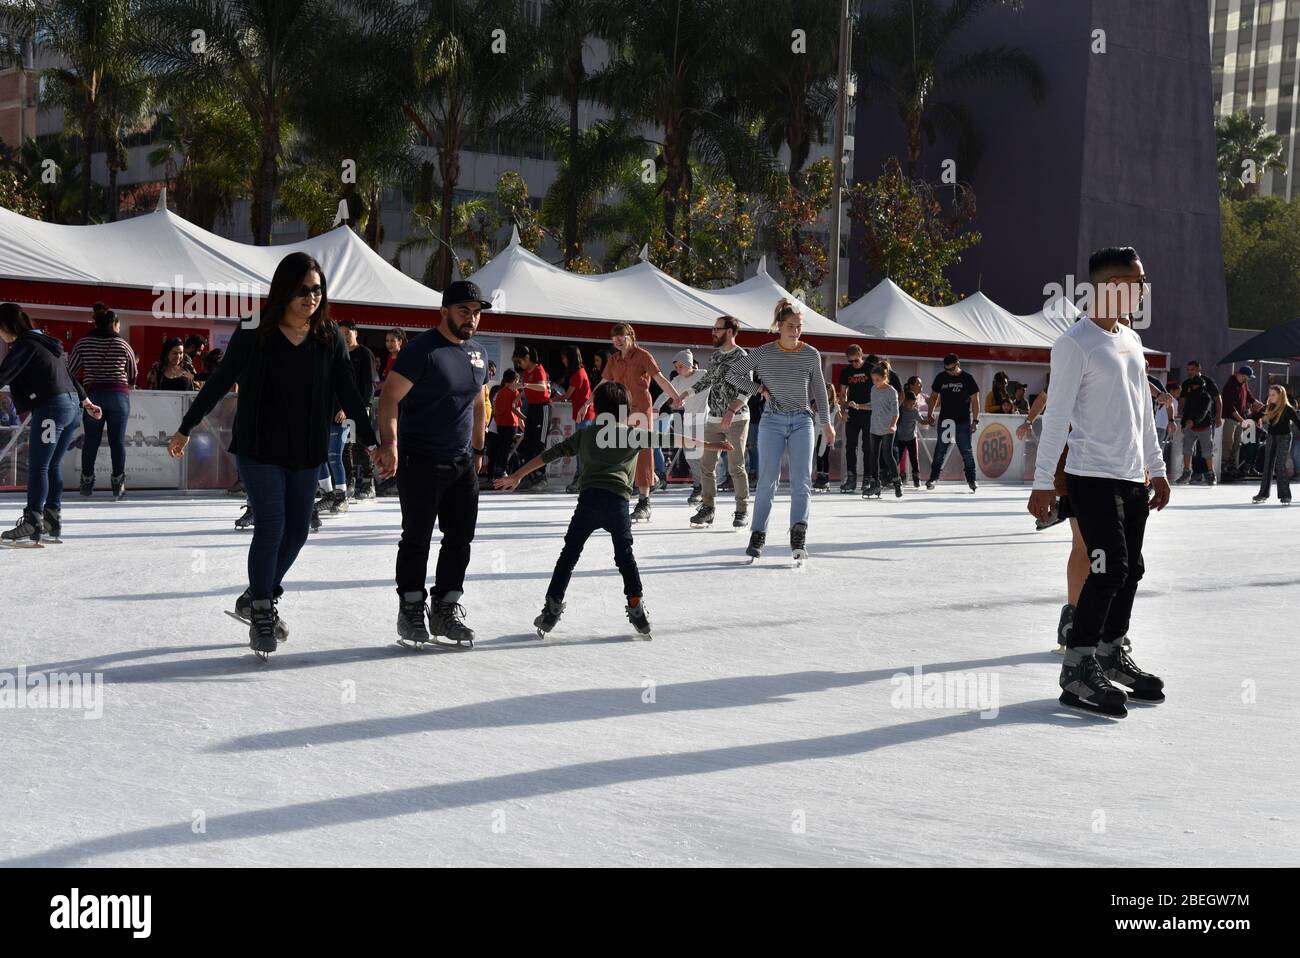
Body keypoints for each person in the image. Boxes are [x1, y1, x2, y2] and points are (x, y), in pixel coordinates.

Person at [168, 253, 379, 658]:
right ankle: (262, 613)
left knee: (298, 530)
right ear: (283, 291)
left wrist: (373, 443)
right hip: (260, 446)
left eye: (317, 290)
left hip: (306, 449)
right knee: (271, 526)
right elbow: (220, 380)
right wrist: (186, 426)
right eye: (302, 290)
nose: (311, 297)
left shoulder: (330, 336)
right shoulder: (254, 329)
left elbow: (350, 393)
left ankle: (256, 595)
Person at [1028, 246, 1169, 718]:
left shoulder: (1130, 341)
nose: (1143, 290)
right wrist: (1044, 481)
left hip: (1132, 477)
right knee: (1106, 569)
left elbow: (1144, 415)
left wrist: (1159, 468)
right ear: (1110, 286)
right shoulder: (1075, 343)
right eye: (1137, 282)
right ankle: (1078, 668)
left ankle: (1111, 652)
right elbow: (1057, 416)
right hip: (1091, 476)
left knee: (1132, 570)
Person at [499, 380, 731, 639]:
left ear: (597, 408)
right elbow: (672, 438)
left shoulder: (586, 433)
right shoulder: (633, 433)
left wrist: (517, 475)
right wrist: (709, 445)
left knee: (569, 556)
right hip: (618, 506)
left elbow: (550, 454)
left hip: (588, 503)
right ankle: (636, 607)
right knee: (625, 558)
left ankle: (552, 609)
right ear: (626, 411)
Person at [374, 280, 490, 649]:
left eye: (476, 313)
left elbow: (477, 404)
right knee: (417, 538)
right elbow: (389, 398)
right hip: (419, 459)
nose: (471, 319)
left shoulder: (478, 354)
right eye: (463, 311)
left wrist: (478, 449)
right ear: (444, 311)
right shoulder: (421, 350)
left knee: (460, 540)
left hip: (462, 464)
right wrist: (389, 444)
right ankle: (411, 608)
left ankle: (444, 608)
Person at [720, 298, 834, 561]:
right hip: (772, 420)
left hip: (802, 420)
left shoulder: (810, 354)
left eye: (799, 326)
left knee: (801, 481)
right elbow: (733, 374)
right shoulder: (763, 352)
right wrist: (758, 389)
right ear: (780, 326)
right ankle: (758, 534)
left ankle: (798, 534)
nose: (796, 331)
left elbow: (819, 389)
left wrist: (826, 422)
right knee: (768, 480)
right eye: (791, 326)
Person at [0, 303, 102, 546]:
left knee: (38, 466)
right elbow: (69, 375)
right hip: (71, 408)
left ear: (6, 325)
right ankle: (51, 520)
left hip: (51, 409)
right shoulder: (48, 342)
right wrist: (87, 401)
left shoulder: (25, 344)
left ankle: (32, 521)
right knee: (52, 465)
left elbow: (3, 375)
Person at [584, 323, 683, 522]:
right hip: (621, 409)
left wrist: (676, 396)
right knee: (620, 451)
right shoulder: (613, 359)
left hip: (641, 409)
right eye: (614, 340)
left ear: (630, 335)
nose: (617, 342)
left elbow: (660, 379)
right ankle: (621, 496)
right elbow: (604, 383)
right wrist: (587, 403)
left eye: (620, 337)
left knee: (643, 451)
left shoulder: (643, 356)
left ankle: (644, 501)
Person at [685, 315, 752, 529]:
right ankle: (708, 508)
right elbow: (707, 380)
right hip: (713, 418)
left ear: (730, 332)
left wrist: (732, 409)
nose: (713, 332)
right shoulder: (714, 357)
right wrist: (686, 394)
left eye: (717, 329)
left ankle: (741, 510)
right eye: (713, 328)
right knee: (706, 465)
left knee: (736, 466)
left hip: (737, 419)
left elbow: (748, 388)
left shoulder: (742, 356)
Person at [68, 302, 137, 499]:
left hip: (94, 395)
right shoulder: (124, 344)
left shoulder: (82, 343)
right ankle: (118, 484)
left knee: (91, 440)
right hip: (119, 397)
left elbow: (70, 371)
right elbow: (133, 375)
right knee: (117, 441)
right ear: (114, 324)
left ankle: (87, 481)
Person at [925, 353, 980, 491]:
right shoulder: (941, 377)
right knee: (940, 449)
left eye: (951, 369)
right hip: (946, 419)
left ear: (958, 365)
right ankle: (933, 478)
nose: (948, 372)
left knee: (966, 450)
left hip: (963, 420)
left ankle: (972, 480)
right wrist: (930, 412)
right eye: (946, 369)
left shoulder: (968, 378)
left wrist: (975, 420)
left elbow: (975, 401)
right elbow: (934, 396)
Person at [659, 349, 707, 503]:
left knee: (700, 455)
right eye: (676, 367)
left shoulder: (703, 374)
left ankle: (703, 485)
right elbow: (665, 393)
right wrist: (655, 407)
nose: (678, 370)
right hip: (687, 421)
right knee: (689, 455)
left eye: (680, 366)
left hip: (703, 421)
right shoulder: (678, 380)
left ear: (688, 363)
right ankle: (699, 484)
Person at [337, 319, 377, 500]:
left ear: (355, 333)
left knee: (362, 446)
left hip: (360, 408)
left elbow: (369, 383)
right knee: (346, 446)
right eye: (341, 333)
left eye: (348, 332)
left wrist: (366, 406)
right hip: (344, 410)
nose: (345, 337)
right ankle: (349, 481)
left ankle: (368, 483)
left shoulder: (364, 353)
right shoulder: (340, 354)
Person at [513, 344, 552, 491]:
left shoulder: (538, 369)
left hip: (543, 408)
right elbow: (529, 388)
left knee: (539, 444)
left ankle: (542, 477)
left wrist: (524, 386)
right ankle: (530, 476)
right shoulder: (527, 372)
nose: (519, 364)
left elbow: (542, 387)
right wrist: (520, 396)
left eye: (520, 361)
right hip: (533, 409)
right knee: (528, 442)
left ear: (527, 358)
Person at [558, 345, 596, 494]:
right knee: (582, 446)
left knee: (582, 447)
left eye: (564, 358)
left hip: (584, 414)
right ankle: (581, 477)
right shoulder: (580, 372)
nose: (563, 361)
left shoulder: (577, 374)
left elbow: (567, 395)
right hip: (583, 414)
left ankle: (582, 478)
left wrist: (552, 398)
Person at [1252, 385, 1297, 505]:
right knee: (1267, 465)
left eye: (1273, 395)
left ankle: (1285, 495)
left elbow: (1298, 423)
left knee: (1281, 465)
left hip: (1284, 437)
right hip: (1271, 437)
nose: (1270, 397)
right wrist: (1255, 419)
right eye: (1270, 394)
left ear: (1280, 396)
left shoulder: (1288, 409)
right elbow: (1255, 416)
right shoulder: (1268, 407)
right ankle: (1263, 494)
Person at [1175, 361, 1219, 485]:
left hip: (1204, 426)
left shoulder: (1206, 395)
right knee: (1187, 449)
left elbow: (1204, 411)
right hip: (1190, 425)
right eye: (1188, 369)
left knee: (1206, 451)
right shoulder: (1187, 385)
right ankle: (1187, 472)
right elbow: (1184, 405)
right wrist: (1184, 422)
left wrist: (1218, 417)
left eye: (1192, 369)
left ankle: (1210, 473)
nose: (1193, 387)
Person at [837, 345, 871, 493]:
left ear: (861, 354)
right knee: (850, 446)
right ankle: (851, 478)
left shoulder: (871, 368)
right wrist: (843, 411)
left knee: (868, 447)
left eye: (856, 360)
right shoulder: (846, 372)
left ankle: (868, 479)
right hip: (852, 413)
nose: (854, 364)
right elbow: (843, 394)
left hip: (869, 412)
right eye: (851, 362)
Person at [865, 363, 901, 498]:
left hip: (887, 428)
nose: (875, 382)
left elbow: (896, 412)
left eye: (878, 380)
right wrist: (858, 406)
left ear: (884, 377)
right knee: (873, 456)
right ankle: (875, 483)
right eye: (873, 380)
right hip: (874, 427)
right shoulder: (874, 389)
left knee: (887, 455)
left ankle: (897, 482)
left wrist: (893, 425)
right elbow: (872, 406)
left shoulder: (892, 392)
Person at [1220, 365, 1258, 482]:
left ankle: (1231, 465)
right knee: (1228, 442)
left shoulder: (1244, 384)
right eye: (1248, 377)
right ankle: (1224, 465)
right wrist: (1243, 420)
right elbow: (1230, 407)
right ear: (1241, 375)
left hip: (1239, 419)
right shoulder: (1230, 386)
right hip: (1230, 418)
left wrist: (1258, 403)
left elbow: (1249, 397)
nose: (1249, 379)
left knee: (1237, 443)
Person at [488, 368, 523, 480]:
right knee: (508, 448)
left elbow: (495, 411)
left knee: (501, 448)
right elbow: (516, 410)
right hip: (511, 424)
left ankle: (498, 471)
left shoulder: (499, 392)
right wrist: (525, 419)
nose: (517, 384)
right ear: (513, 381)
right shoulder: (515, 392)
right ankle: (502, 471)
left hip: (500, 425)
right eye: (517, 381)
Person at [813, 381, 838, 492]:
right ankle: (819, 478)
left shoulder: (834, 405)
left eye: (828, 392)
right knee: (818, 455)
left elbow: (841, 417)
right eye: (825, 392)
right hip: (817, 431)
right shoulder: (815, 403)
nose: (826, 394)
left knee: (825, 455)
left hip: (828, 432)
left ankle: (826, 479)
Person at [894, 389, 923, 488]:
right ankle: (893, 476)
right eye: (910, 404)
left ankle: (916, 479)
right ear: (904, 401)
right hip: (901, 439)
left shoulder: (914, 412)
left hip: (911, 439)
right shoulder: (900, 410)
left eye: (913, 404)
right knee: (897, 458)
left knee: (914, 459)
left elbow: (922, 421)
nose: (911, 406)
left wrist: (929, 421)